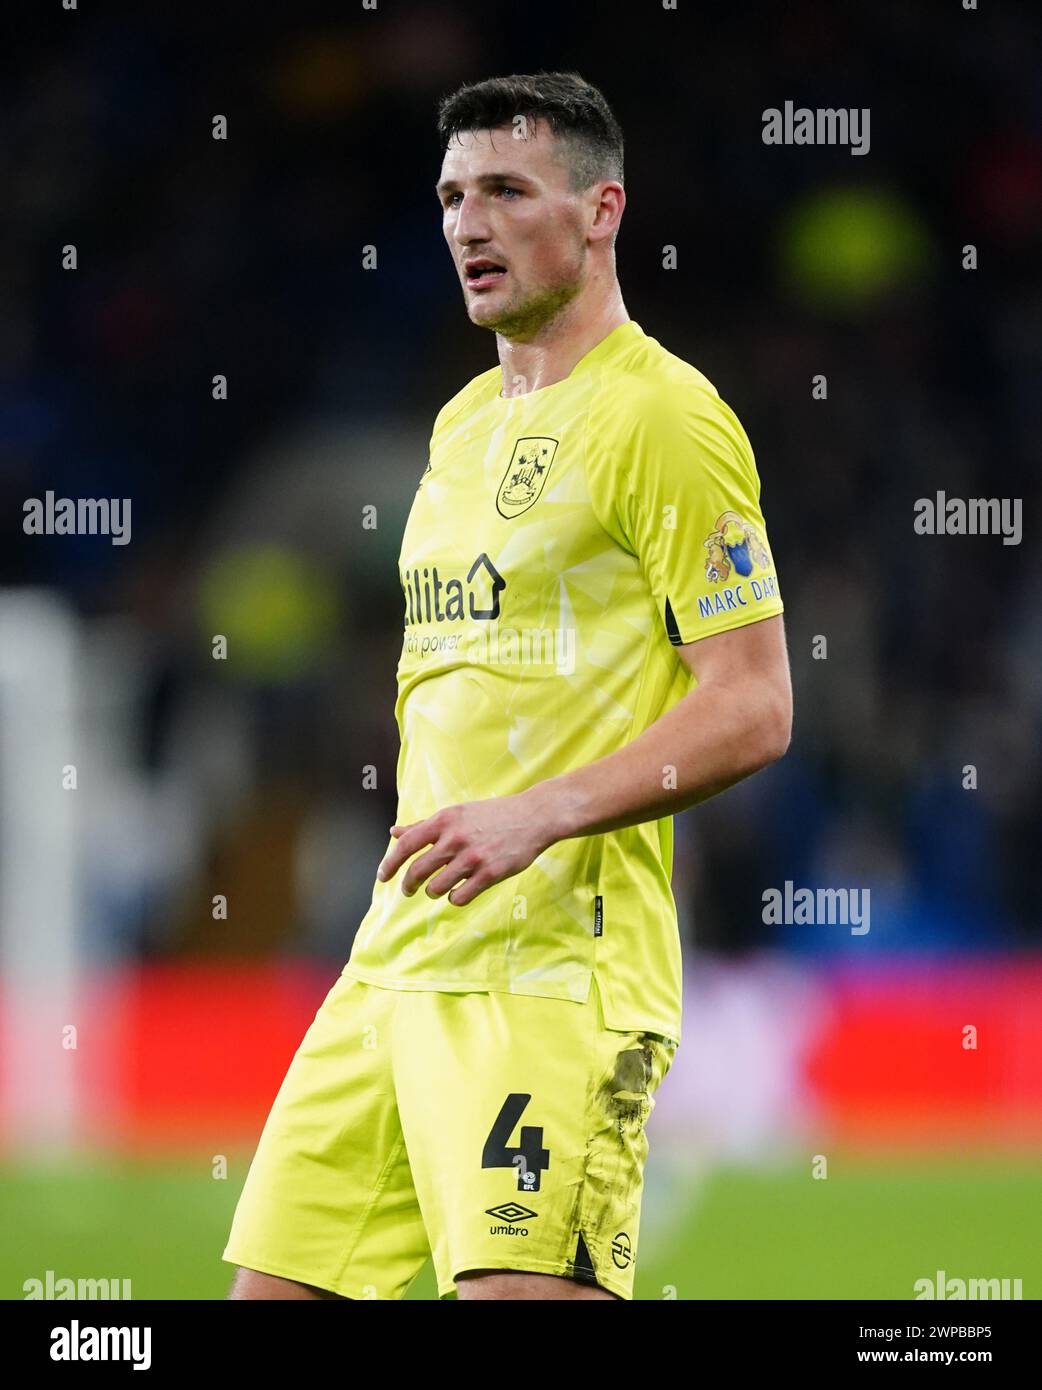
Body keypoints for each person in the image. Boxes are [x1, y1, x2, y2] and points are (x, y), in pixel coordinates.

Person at [223, 69, 791, 1302]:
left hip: (552, 979)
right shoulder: (463, 424)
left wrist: (537, 810)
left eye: (504, 191)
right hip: (394, 963)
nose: (466, 224)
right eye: (449, 196)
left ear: (600, 212)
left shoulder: (665, 418)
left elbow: (753, 703)